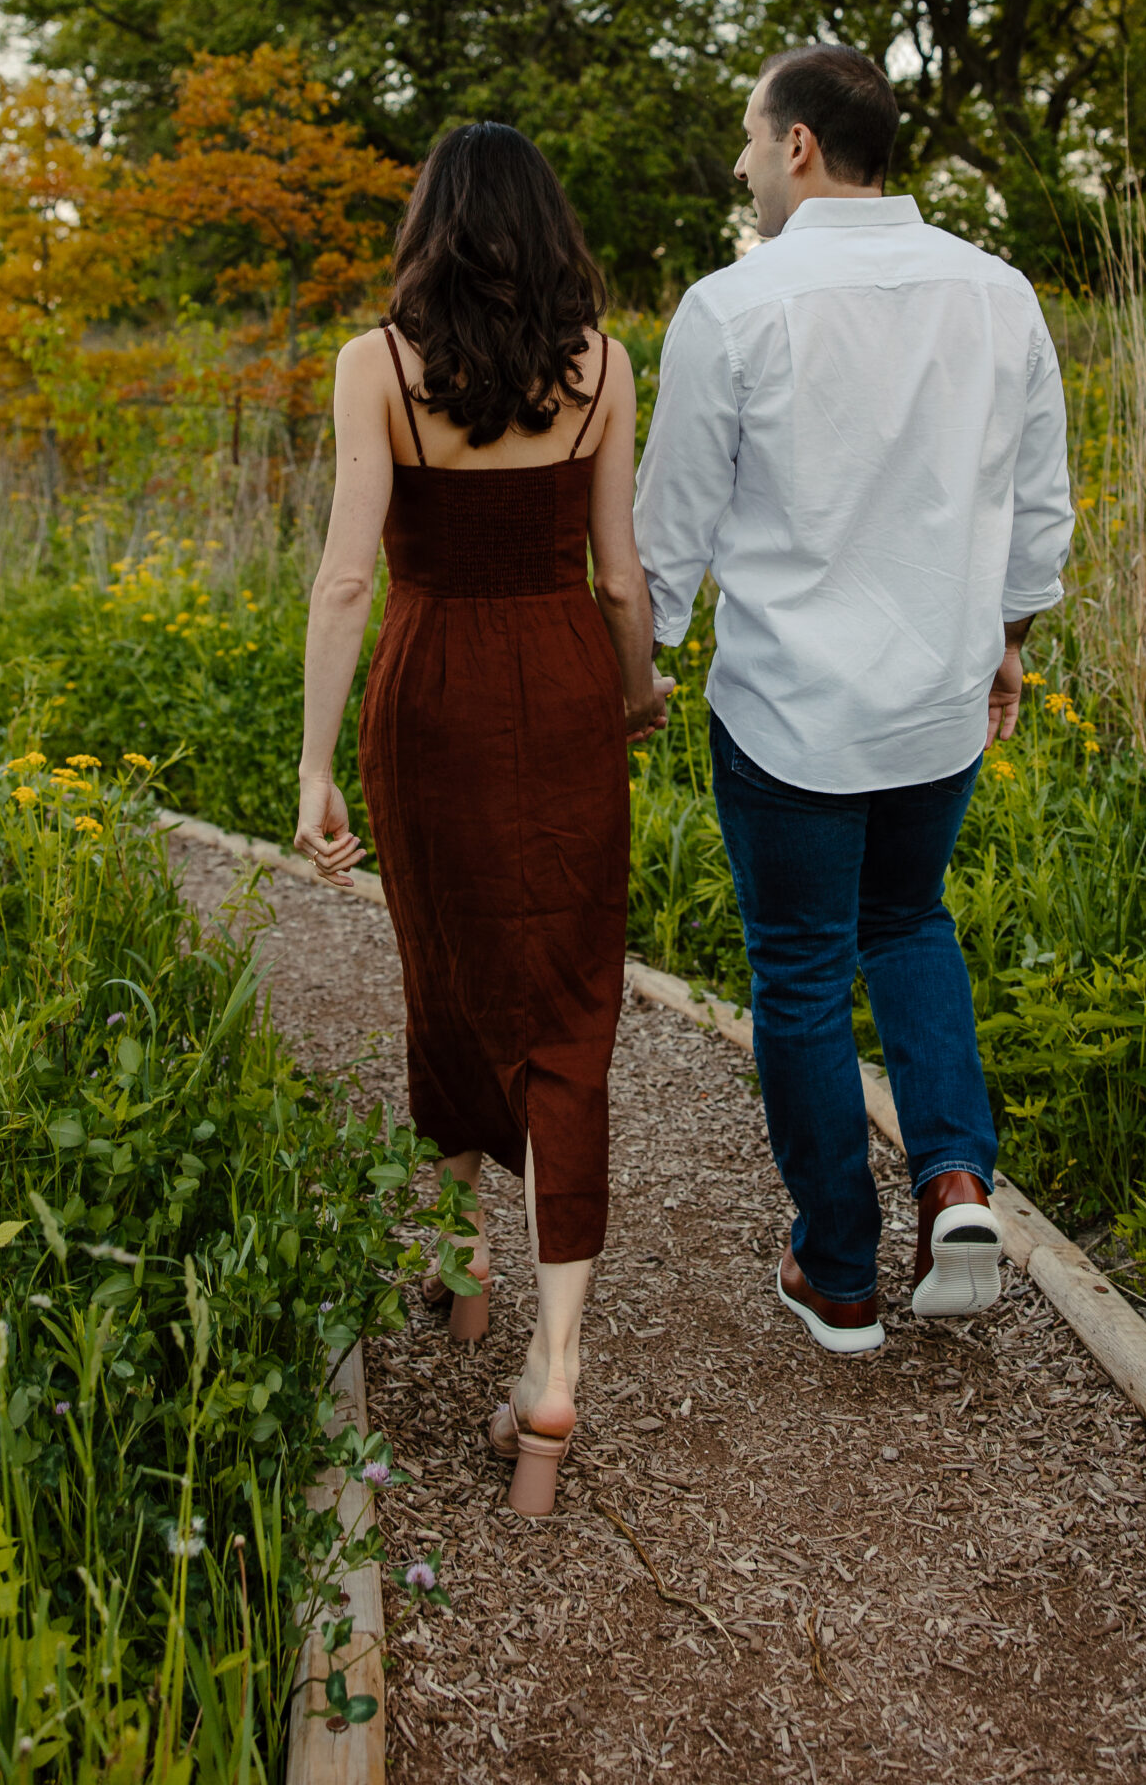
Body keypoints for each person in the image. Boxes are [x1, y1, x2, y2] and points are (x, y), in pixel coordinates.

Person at [633, 47, 1072, 1357]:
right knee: (910, 920)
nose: (742, 165)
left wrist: (639, 668)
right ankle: (953, 1183)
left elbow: (668, 534)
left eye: (750, 138)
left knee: (803, 968)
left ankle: (837, 1271)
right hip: (937, 701)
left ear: (802, 145)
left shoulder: (732, 307)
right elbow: (1038, 510)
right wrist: (1008, 642)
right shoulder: (999, 294)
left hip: (790, 716)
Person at [294, 123, 673, 1509]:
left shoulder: (377, 367)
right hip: (563, 684)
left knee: (444, 964)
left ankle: (460, 1260)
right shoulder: (604, 365)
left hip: (429, 690)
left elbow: (347, 580)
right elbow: (620, 575)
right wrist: (635, 691)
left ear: (431, 230)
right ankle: (551, 1364)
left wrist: (313, 764)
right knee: (567, 1006)